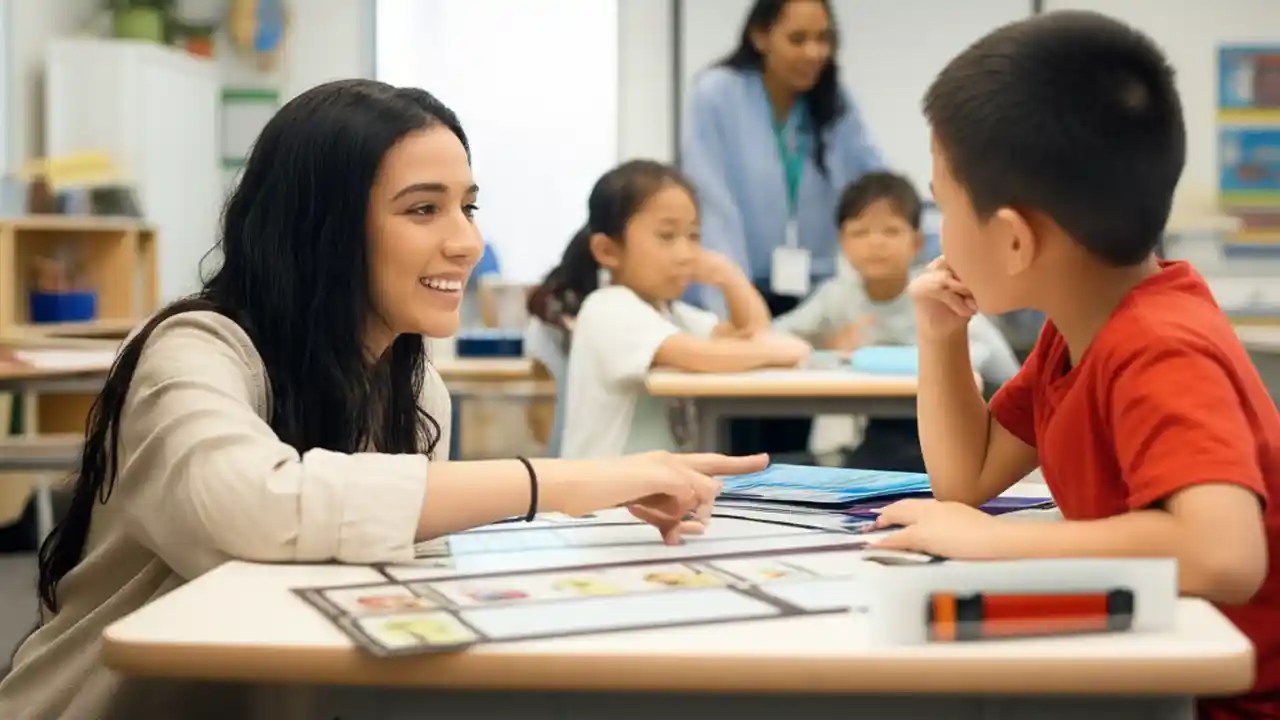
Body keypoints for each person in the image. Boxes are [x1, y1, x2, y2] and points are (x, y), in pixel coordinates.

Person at [0, 80, 767, 720]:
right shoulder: (198, 349)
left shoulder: (413, 383)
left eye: (468, 205)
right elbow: (253, 510)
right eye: (422, 209)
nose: (466, 240)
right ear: (322, 229)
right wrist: (554, 483)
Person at [869, 12, 1280, 718]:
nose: (938, 232)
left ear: (1015, 242)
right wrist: (941, 337)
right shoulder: (1080, 328)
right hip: (1153, 670)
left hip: (1224, 701)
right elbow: (966, 478)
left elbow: (1225, 555)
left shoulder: (1158, 345)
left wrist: (999, 544)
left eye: (942, 203)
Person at [682, 0, 884, 459]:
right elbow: (713, 201)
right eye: (798, 39)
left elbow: (870, 184)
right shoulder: (718, 93)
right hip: (741, 289)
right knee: (740, 439)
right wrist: (730, 308)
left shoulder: (833, 102)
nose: (814, 52)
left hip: (811, 293)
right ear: (760, 37)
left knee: (794, 439)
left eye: (823, 39)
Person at [532, 160, 811, 460]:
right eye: (667, 236)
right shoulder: (607, 308)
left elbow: (753, 332)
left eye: (694, 237)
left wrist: (729, 276)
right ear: (607, 251)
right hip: (607, 502)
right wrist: (785, 350)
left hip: (657, 496)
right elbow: (706, 357)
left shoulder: (671, 314)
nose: (686, 254)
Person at [774, 171, 1019, 471]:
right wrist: (826, 348)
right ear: (841, 242)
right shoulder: (835, 296)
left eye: (890, 231)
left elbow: (987, 360)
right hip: (860, 443)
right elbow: (775, 335)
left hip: (951, 437)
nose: (875, 243)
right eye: (860, 233)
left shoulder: (935, 288)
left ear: (916, 242)